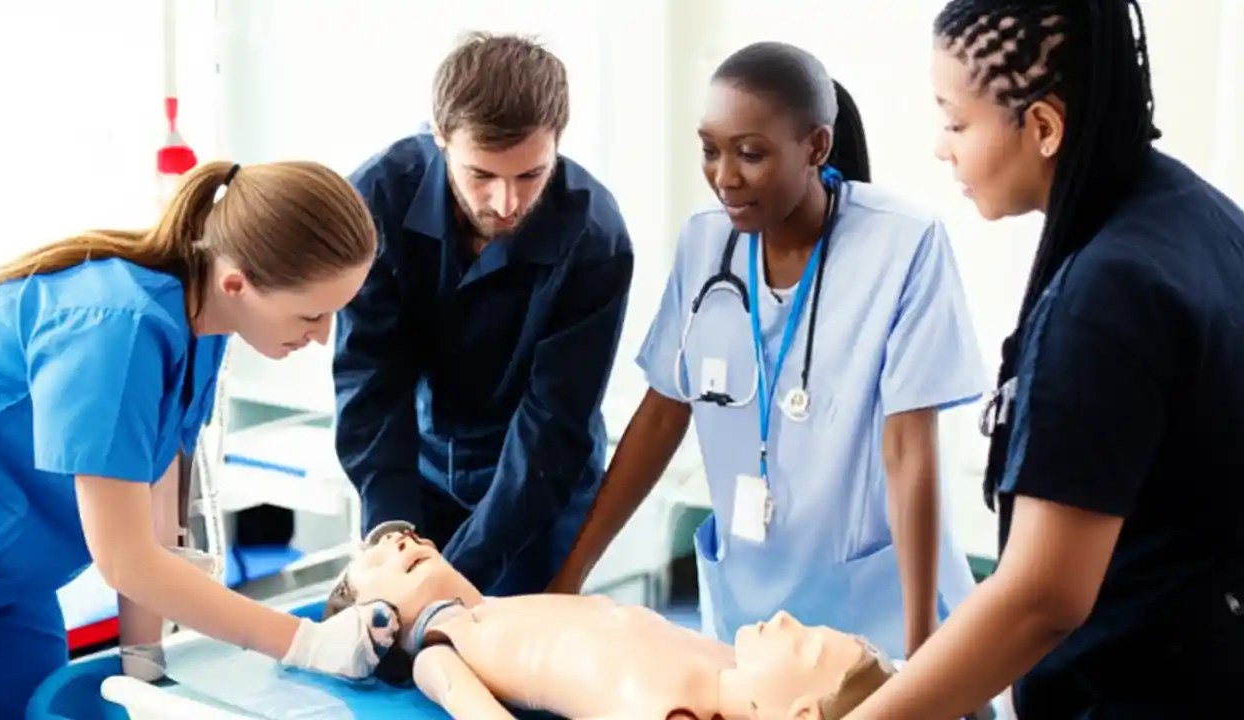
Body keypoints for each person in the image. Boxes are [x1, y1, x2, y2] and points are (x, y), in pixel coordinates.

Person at [846, 1, 1244, 718]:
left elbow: (1042, 597)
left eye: (955, 121)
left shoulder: (1109, 292)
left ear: (1043, 127)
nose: (943, 148)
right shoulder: (1198, 218)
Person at [549, 41, 987, 664]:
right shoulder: (706, 244)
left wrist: (924, 650)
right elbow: (662, 413)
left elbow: (908, 447)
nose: (725, 176)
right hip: (751, 625)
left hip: (886, 612)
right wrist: (572, 576)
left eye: (750, 154)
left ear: (815, 147)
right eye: (710, 149)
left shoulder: (904, 244)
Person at [0, 160, 398, 719]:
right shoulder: (113, 331)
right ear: (237, 284)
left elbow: (154, 533)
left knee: (37, 706)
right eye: (312, 314)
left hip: (12, 580)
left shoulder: (202, 328)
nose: (321, 338)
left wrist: (145, 678)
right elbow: (126, 560)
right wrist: (307, 643)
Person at [333, 32, 634, 597]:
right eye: (481, 175)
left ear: (558, 144)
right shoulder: (376, 200)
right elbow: (370, 382)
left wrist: (454, 579)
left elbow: (554, 422)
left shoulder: (596, 238)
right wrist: (394, 539)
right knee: (395, 640)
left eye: (530, 176)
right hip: (414, 465)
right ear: (441, 136)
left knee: (514, 658)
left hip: (538, 482)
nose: (506, 203)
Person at [324, 520, 898, 720]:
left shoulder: (689, 698)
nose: (405, 542)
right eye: (382, 558)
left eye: (804, 645)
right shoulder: (447, 642)